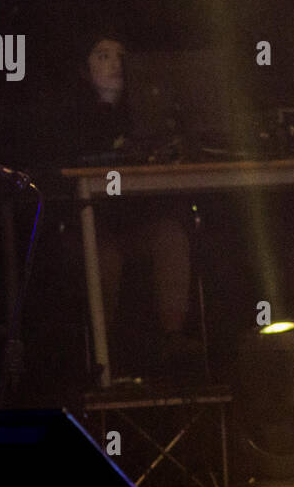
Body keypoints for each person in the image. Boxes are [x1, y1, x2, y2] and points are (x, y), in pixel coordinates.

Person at [69, 33, 198, 374]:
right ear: (84, 69)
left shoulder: (149, 110)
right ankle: (103, 352)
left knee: (171, 236)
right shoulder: (78, 116)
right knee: (105, 259)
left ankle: (174, 340)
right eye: (102, 55)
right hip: (100, 228)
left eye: (120, 55)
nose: (114, 64)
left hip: (143, 221)